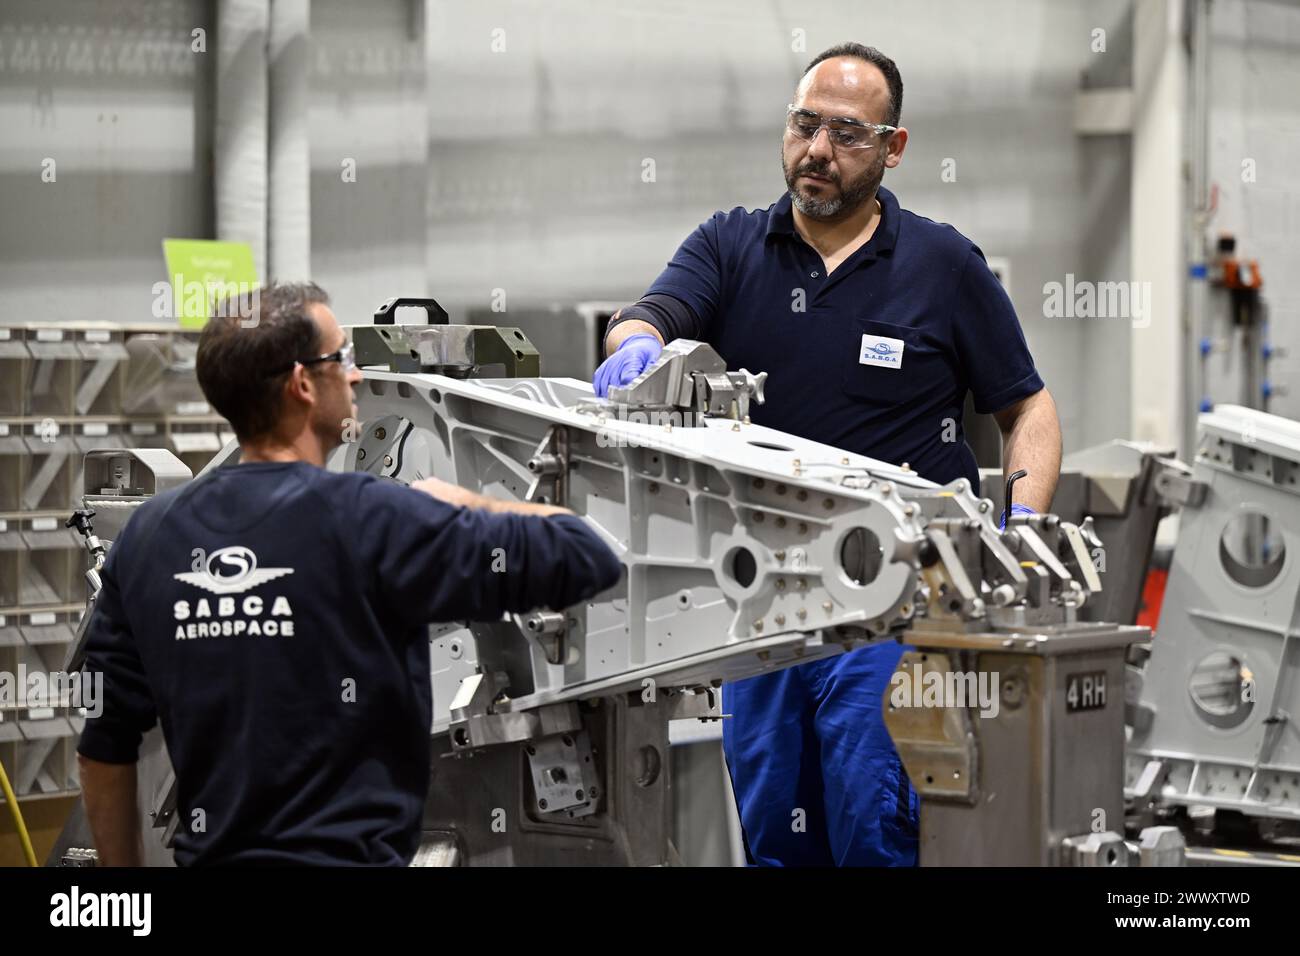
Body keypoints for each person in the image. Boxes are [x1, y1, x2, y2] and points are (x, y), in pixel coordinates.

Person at [593, 43, 1062, 866]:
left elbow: (1027, 405)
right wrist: (634, 346)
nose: (817, 150)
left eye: (847, 132)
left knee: (878, 833)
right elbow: (650, 313)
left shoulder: (942, 266)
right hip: (760, 608)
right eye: (805, 125)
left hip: (898, 614)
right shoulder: (733, 246)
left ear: (893, 145)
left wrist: (1023, 525)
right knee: (776, 836)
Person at [77, 281, 622, 865]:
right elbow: (586, 554)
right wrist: (458, 504)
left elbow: (104, 742)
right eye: (342, 359)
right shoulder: (378, 521)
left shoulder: (150, 537)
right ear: (302, 383)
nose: (357, 376)